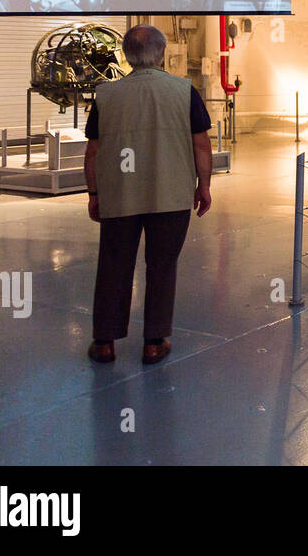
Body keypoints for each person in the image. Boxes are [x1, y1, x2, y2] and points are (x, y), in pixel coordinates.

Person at [82, 24, 213, 365]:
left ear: (126, 55)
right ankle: (154, 342)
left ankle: (105, 343)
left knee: (113, 265)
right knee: (162, 266)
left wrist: (94, 193)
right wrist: (204, 186)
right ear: (162, 53)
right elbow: (201, 143)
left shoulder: (106, 95)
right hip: (169, 196)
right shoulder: (184, 91)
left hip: (119, 196)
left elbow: (93, 151)